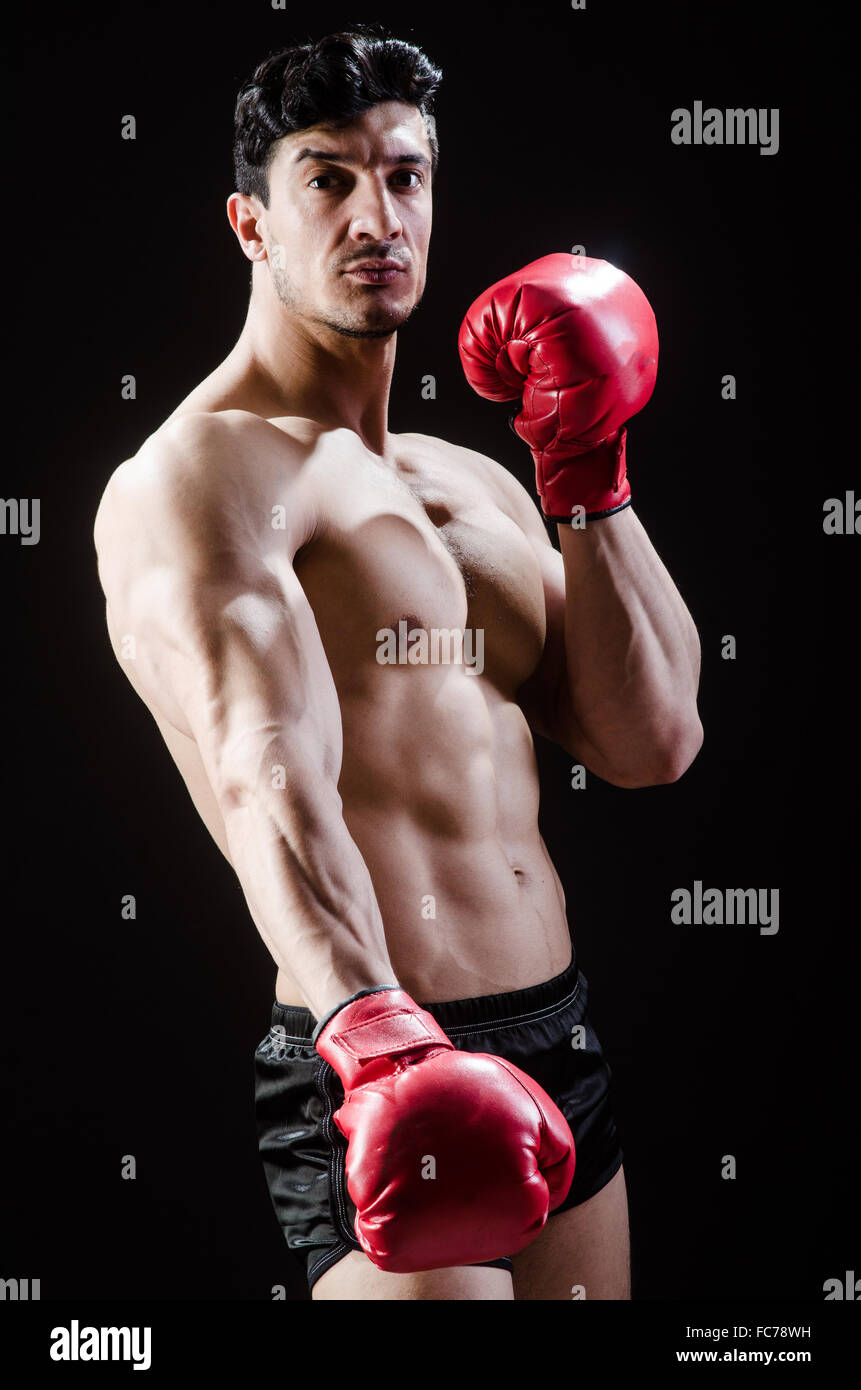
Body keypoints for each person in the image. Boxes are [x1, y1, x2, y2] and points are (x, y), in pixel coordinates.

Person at [93, 27, 703, 1301]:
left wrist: (591, 470)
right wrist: (377, 1041)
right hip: (381, 1045)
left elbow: (652, 743)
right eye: (327, 179)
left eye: (405, 176)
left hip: (560, 1034)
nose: (378, 215)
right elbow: (268, 773)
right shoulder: (206, 475)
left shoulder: (467, 482)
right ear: (252, 223)